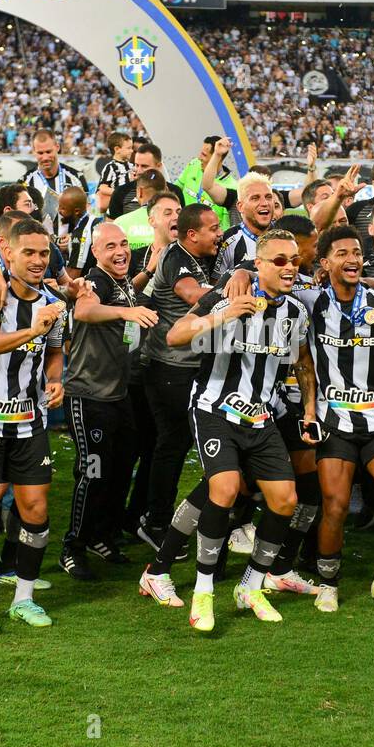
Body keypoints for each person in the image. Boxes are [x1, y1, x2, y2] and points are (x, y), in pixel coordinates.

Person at [155, 228, 317, 631]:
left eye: (294, 260)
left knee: (284, 500)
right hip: (213, 409)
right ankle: (204, 591)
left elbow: (301, 363)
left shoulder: (296, 311)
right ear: (257, 265)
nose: (289, 267)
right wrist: (221, 315)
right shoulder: (227, 295)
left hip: (260, 417)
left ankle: (251, 585)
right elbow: (175, 336)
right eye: (279, 261)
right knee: (224, 489)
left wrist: (310, 408)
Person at [292, 224, 374, 615]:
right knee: (335, 505)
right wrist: (243, 274)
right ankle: (329, 582)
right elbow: (302, 358)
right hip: (334, 423)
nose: (352, 259)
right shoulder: (310, 301)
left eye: (357, 253)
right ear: (326, 261)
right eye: (343, 253)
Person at [0, 218, 66, 636]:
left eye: (44, 253)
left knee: (35, 510)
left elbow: (55, 350)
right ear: (8, 253)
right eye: (30, 253)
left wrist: (56, 379)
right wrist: (31, 329)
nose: (39, 261)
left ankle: (24, 597)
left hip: (30, 420)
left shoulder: (54, 302)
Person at [63, 222, 157, 570]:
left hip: (117, 395)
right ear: (96, 252)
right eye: (110, 246)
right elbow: (84, 311)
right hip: (88, 395)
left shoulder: (122, 283)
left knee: (118, 470)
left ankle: (101, 535)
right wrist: (126, 312)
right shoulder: (95, 280)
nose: (120, 251)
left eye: (123, 244)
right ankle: (72, 546)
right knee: (93, 471)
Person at [135, 203, 221, 552]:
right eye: (213, 229)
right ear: (192, 235)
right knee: (172, 445)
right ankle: (156, 522)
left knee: (172, 445)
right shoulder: (177, 259)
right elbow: (191, 294)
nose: (219, 234)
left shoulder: (198, 255)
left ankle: (146, 516)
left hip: (186, 366)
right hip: (170, 367)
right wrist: (237, 293)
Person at [25, 129, 84, 221]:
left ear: (57, 147)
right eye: (40, 153)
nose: (45, 158)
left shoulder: (76, 178)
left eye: (48, 152)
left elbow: (85, 214)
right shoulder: (25, 183)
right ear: (33, 151)